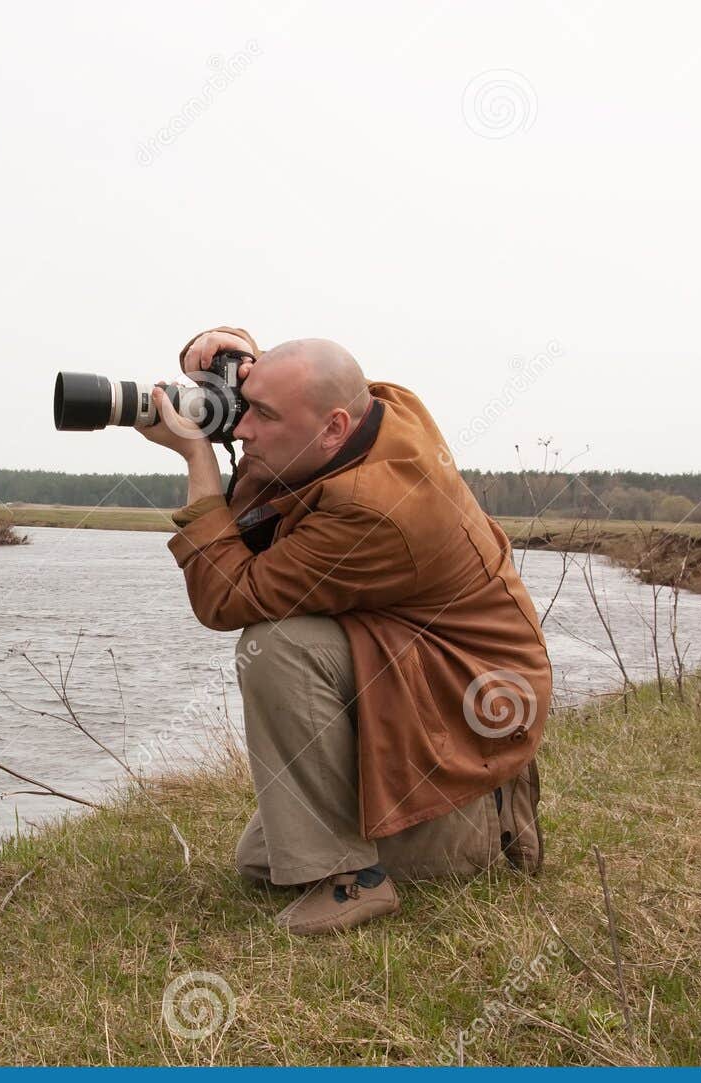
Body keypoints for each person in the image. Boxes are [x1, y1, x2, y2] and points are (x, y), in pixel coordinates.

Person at [139, 325, 551, 935]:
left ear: (332, 428)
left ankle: (379, 872)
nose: (243, 428)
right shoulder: (383, 407)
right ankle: (387, 839)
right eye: (242, 406)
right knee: (263, 861)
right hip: (413, 664)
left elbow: (227, 598)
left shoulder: (375, 511)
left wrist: (198, 457)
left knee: (277, 645)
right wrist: (226, 345)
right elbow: (307, 378)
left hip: (464, 702)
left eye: (261, 416)